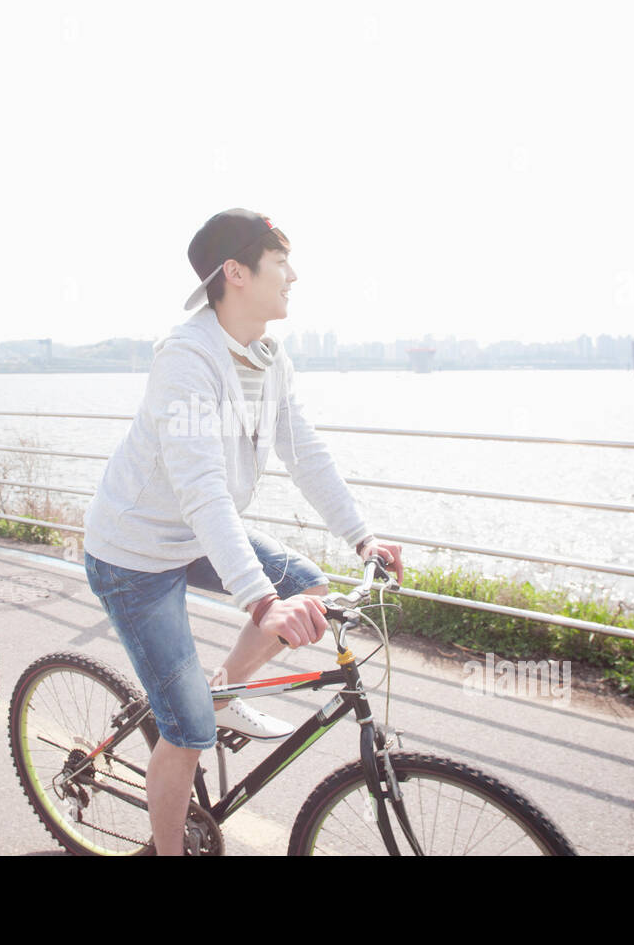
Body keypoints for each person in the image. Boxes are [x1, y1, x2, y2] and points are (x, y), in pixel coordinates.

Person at [83, 209, 405, 855]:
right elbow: (201, 491)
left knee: (310, 588)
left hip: (195, 537)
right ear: (235, 272)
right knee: (188, 730)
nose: (294, 275)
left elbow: (304, 453)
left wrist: (363, 537)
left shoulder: (266, 355)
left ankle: (220, 688)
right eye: (280, 261)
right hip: (133, 557)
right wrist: (262, 601)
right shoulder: (186, 361)